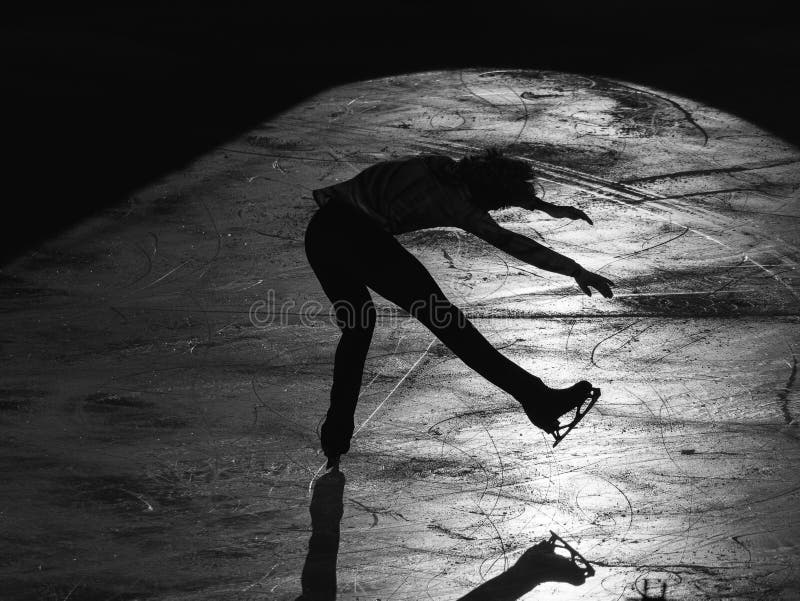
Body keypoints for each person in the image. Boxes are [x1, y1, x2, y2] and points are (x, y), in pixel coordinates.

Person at [304, 148, 614, 467]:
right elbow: (513, 244)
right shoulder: (461, 207)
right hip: (360, 238)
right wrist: (575, 270)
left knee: (357, 329)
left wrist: (545, 207)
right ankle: (539, 400)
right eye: (493, 206)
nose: (490, 211)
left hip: (321, 232)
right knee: (449, 324)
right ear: (486, 199)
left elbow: (496, 181)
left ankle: (335, 436)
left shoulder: (437, 165)